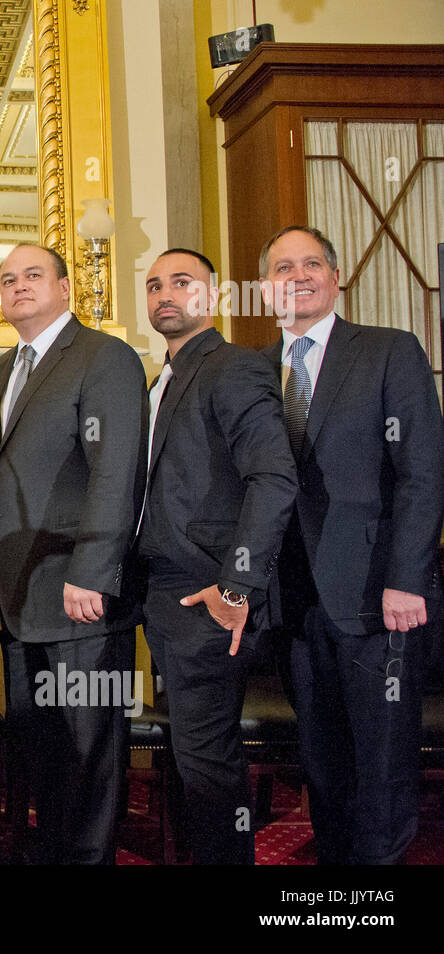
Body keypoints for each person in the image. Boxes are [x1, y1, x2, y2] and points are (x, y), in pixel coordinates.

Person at [261, 225, 444, 865]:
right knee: (323, 765)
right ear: (265, 287)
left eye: (312, 263)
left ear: (335, 279)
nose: (299, 275)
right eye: (284, 266)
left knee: (382, 766)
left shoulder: (389, 351)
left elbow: (423, 473)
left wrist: (408, 580)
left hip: (377, 595)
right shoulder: (257, 370)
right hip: (293, 604)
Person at [0, 243, 146, 864]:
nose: (18, 286)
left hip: (80, 593)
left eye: (32, 275)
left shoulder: (105, 357)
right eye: (7, 279)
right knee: (39, 744)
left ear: (65, 287)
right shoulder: (0, 371)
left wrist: (94, 573)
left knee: (88, 750)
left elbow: (115, 471)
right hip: (19, 594)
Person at [137, 248, 296, 864]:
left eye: (182, 282)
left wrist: (236, 587)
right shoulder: (163, 380)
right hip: (163, 590)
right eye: (154, 286)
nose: (164, 294)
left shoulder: (233, 367)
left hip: (208, 593)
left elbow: (275, 478)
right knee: (191, 757)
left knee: (207, 763)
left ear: (216, 297)